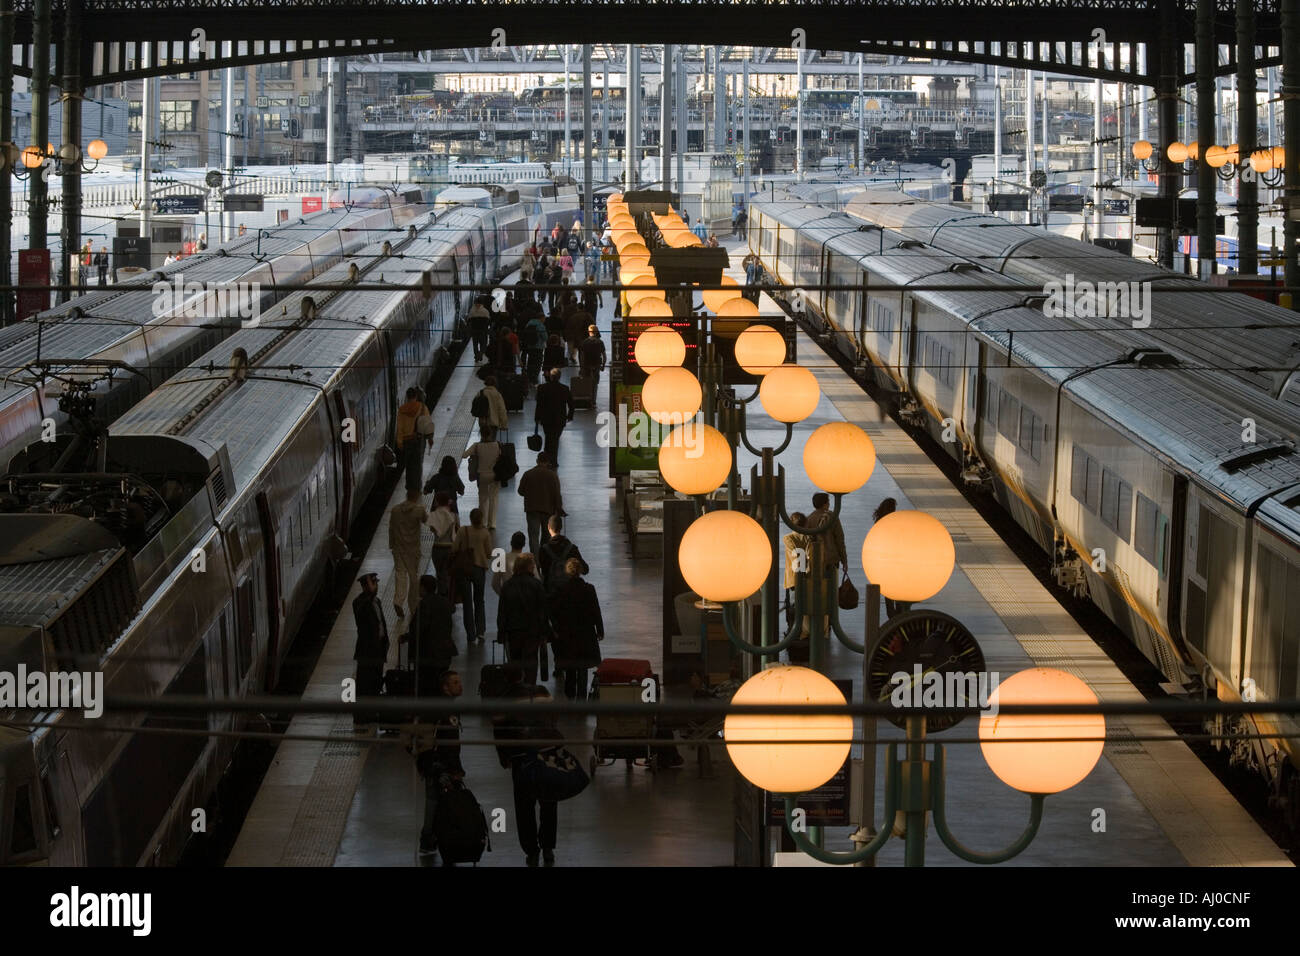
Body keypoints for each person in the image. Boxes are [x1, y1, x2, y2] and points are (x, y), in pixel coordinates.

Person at [493, 681, 560, 866]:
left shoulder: (506, 699)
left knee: (524, 807)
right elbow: (555, 716)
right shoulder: (542, 692)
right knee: (548, 803)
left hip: (520, 756)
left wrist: (503, 755)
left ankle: (531, 850)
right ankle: (547, 847)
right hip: (546, 753)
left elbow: (498, 728)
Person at [411, 668, 465, 858]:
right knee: (435, 802)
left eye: (459, 681)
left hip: (436, 762)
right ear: (445, 688)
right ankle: (429, 839)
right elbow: (447, 742)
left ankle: (432, 840)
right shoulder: (443, 709)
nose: (460, 686)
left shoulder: (445, 707)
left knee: (436, 802)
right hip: (438, 764)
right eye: (455, 683)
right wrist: (453, 768)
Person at [549, 557, 604, 700]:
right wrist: (600, 630)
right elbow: (595, 610)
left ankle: (570, 693)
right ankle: (581, 696)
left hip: (567, 633)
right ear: (580, 571)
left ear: (567, 572)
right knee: (583, 666)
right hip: (585, 632)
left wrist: (556, 628)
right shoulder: (589, 589)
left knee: (570, 665)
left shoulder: (562, 590)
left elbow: (554, 611)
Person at [496, 554, 552, 685]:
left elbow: (502, 612)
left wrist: (501, 633)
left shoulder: (507, 586)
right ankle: (530, 689)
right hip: (532, 632)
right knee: (531, 662)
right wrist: (545, 632)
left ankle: (517, 689)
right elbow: (543, 611)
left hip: (513, 632)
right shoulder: (537, 585)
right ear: (528, 567)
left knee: (515, 662)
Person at [403, 574, 457, 696]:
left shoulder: (424, 604)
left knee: (428, 687)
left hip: (430, 656)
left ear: (423, 588)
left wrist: (406, 637)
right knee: (441, 686)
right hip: (445, 653)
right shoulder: (445, 602)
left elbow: (419, 629)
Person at [351, 572, 390, 730]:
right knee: (364, 685)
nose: (376, 586)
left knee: (375, 683)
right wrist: (369, 594)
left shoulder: (377, 601)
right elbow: (361, 617)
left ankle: (372, 713)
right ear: (365, 587)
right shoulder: (359, 603)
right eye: (373, 584)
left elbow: (381, 622)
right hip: (366, 652)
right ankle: (360, 717)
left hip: (378, 651)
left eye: (376, 583)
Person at [806, 492, 848, 634]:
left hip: (815, 561)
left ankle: (819, 620)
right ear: (825, 504)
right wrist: (844, 560)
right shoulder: (832, 517)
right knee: (831, 592)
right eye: (828, 501)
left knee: (817, 591)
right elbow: (840, 539)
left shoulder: (810, 518)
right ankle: (829, 622)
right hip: (831, 560)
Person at [450, 508, 492, 644]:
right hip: (479, 569)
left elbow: (454, 548)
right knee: (479, 600)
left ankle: (470, 635)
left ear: (470, 518)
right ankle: (481, 631)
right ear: (481, 518)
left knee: (467, 602)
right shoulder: (485, 533)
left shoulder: (463, 531)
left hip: (464, 569)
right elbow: (489, 553)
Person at [388, 488, 427, 620]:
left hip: (398, 548)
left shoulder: (395, 510)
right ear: (417, 497)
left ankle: (398, 601)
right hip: (413, 549)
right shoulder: (419, 510)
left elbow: (391, 528)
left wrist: (391, 544)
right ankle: (413, 606)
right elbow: (426, 520)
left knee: (400, 575)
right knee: (413, 578)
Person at [873, 498, 913, 618]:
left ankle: (891, 615)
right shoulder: (894, 521)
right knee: (899, 588)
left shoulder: (878, 521)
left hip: (884, 562)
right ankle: (900, 612)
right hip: (896, 560)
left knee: (888, 591)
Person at [517, 452, 563, 554]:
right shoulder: (552, 475)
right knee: (546, 536)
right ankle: (544, 556)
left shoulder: (528, 474)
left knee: (533, 536)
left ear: (537, 461)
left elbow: (520, 491)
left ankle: (535, 559)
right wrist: (559, 509)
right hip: (548, 510)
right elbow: (557, 494)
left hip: (532, 509)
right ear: (548, 462)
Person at [463, 426, 503, 530]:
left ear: (481, 434)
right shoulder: (497, 445)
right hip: (495, 475)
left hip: (482, 476)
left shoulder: (477, 446)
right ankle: (492, 523)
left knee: (483, 499)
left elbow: (464, 455)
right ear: (491, 434)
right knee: (494, 498)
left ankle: (483, 522)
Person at [537, 514, 589, 593]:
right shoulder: (571, 548)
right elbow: (585, 570)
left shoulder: (543, 550)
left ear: (548, 527)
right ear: (561, 528)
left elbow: (543, 572)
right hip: (569, 593)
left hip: (551, 592)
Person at [396, 387, 433, 493]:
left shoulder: (402, 409)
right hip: (418, 440)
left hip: (406, 440)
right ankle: (417, 486)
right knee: (418, 463)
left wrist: (399, 442)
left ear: (407, 397)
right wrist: (430, 438)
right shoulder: (422, 408)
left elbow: (400, 427)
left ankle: (409, 485)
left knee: (409, 464)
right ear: (416, 396)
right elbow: (427, 423)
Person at [534, 368, 574, 464]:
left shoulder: (542, 388)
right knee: (555, 439)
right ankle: (553, 460)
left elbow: (539, 404)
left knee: (548, 438)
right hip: (560, 419)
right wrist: (570, 416)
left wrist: (537, 417)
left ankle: (547, 459)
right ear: (559, 377)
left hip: (546, 418)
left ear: (550, 377)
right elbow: (571, 404)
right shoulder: (564, 388)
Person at [783, 511, 810, 631]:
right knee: (804, 604)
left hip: (793, 577)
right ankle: (803, 630)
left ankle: (793, 630)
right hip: (807, 576)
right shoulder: (809, 538)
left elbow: (795, 554)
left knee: (792, 605)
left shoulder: (788, 538)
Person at [427, 493, 460, 588]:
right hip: (450, 547)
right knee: (448, 573)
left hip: (437, 547)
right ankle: (447, 592)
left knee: (439, 573)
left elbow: (432, 529)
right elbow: (458, 529)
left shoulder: (433, 515)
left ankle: (441, 591)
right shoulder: (453, 515)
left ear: (437, 502)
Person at [492, 531, 537, 595]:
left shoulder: (502, 559)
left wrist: (503, 596)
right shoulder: (528, 559)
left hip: (509, 594)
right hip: (526, 596)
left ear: (511, 543)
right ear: (524, 545)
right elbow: (537, 579)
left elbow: (495, 584)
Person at [475, 375, 509, 440]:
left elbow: (475, 407)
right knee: (492, 441)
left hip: (483, 422)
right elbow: (502, 410)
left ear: (485, 383)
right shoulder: (497, 394)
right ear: (495, 383)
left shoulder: (480, 393)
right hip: (493, 423)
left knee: (484, 441)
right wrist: (504, 424)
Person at [578, 324, 607, 390]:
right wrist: (603, 365)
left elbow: (582, 356)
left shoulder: (584, 342)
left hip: (587, 364)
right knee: (595, 382)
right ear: (596, 332)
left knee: (587, 382)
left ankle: (588, 393)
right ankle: (594, 393)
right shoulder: (600, 342)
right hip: (597, 364)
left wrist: (581, 367)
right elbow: (604, 355)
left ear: (589, 331)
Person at [523, 311, 547, 386]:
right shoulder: (540, 325)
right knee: (538, 362)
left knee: (530, 361)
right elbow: (545, 337)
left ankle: (529, 376)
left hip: (530, 346)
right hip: (538, 347)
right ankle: (534, 377)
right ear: (541, 318)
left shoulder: (529, 323)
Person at [468, 296, 492, 363]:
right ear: (482, 303)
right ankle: (480, 355)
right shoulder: (485, 311)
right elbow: (488, 321)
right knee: (483, 344)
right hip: (483, 330)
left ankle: (477, 356)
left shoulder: (472, 311)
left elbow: (469, 321)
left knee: (475, 345)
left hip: (474, 330)